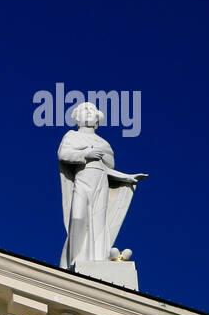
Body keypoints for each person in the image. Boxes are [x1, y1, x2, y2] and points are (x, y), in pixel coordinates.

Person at [58, 102, 147, 268]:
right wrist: (87, 153)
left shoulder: (103, 143)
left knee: (98, 222)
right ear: (77, 117)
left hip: (100, 181)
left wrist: (128, 178)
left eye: (92, 111)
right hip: (83, 179)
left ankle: (97, 260)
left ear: (98, 119)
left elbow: (107, 166)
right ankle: (70, 263)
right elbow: (64, 154)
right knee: (78, 219)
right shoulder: (72, 136)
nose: (89, 113)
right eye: (85, 110)